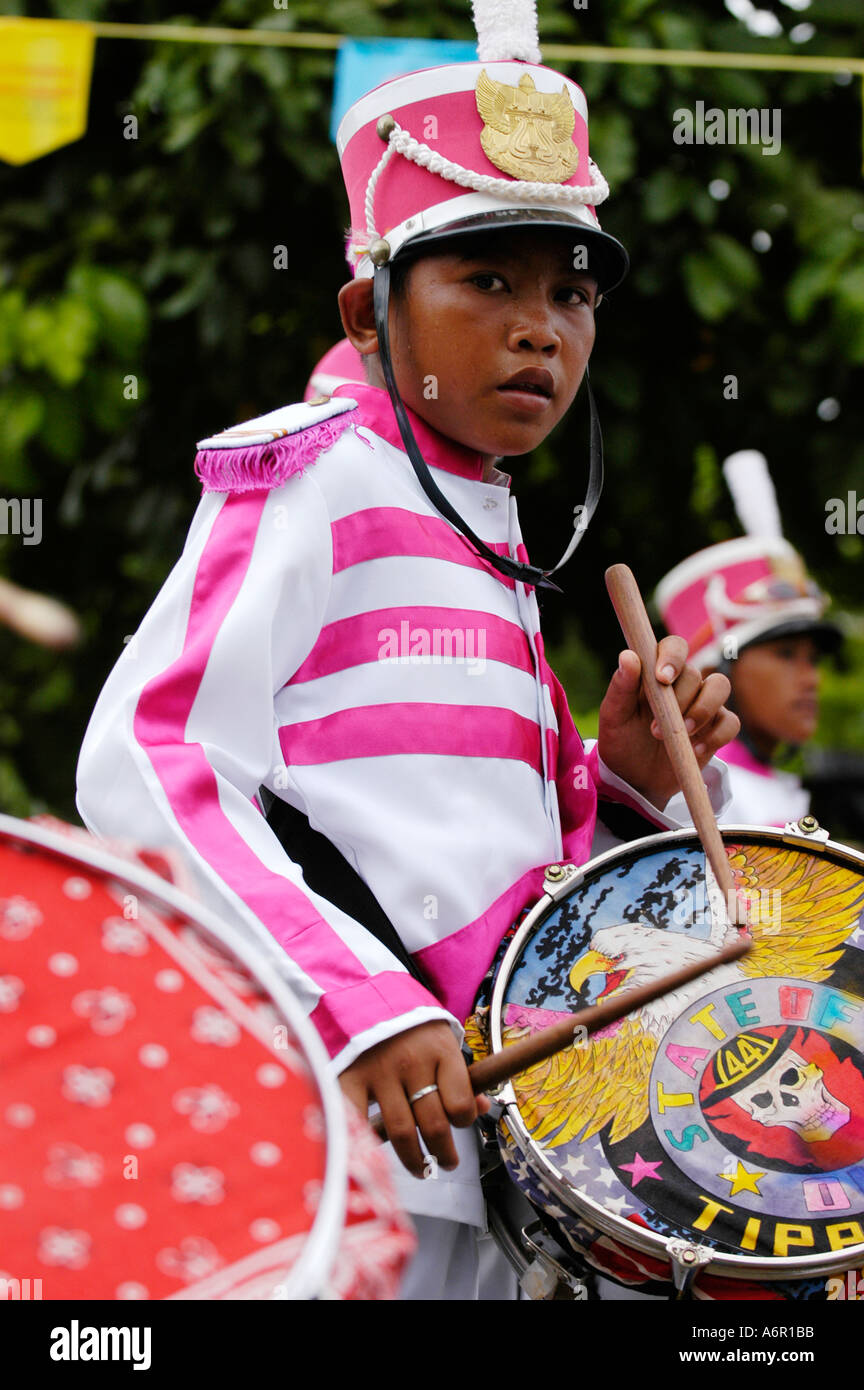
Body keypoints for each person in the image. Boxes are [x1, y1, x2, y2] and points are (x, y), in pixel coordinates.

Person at [76, 0, 738, 1298]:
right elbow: (143, 757)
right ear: (370, 309)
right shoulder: (317, 471)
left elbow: (505, 879)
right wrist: (356, 1002)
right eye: (486, 280)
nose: (539, 328)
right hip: (324, 1128)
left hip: (481, 1154)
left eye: (570, 292)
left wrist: (632, 782)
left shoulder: (489, 535)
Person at [655, 450, 842, 829]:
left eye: (813, 659)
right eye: (787, 654)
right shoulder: (690, 800)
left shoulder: (772, 788)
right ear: (712, 669)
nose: (812, 679)